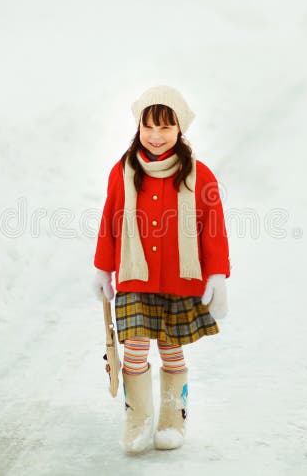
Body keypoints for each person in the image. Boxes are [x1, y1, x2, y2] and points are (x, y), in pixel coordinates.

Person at [92, 84, 231, 454]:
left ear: (179, 129)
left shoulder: (200, 176)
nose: (155, 136)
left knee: (171, 350)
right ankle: (137, 421)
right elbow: (110, 222)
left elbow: (213, 229)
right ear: (138, 127)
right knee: (134, 349)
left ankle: (173, 418)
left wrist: (217, 275)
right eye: (148, 127)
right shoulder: (122, 172)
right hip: (135, 278)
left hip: (180, 283)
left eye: (165, 128)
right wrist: (102, 269)